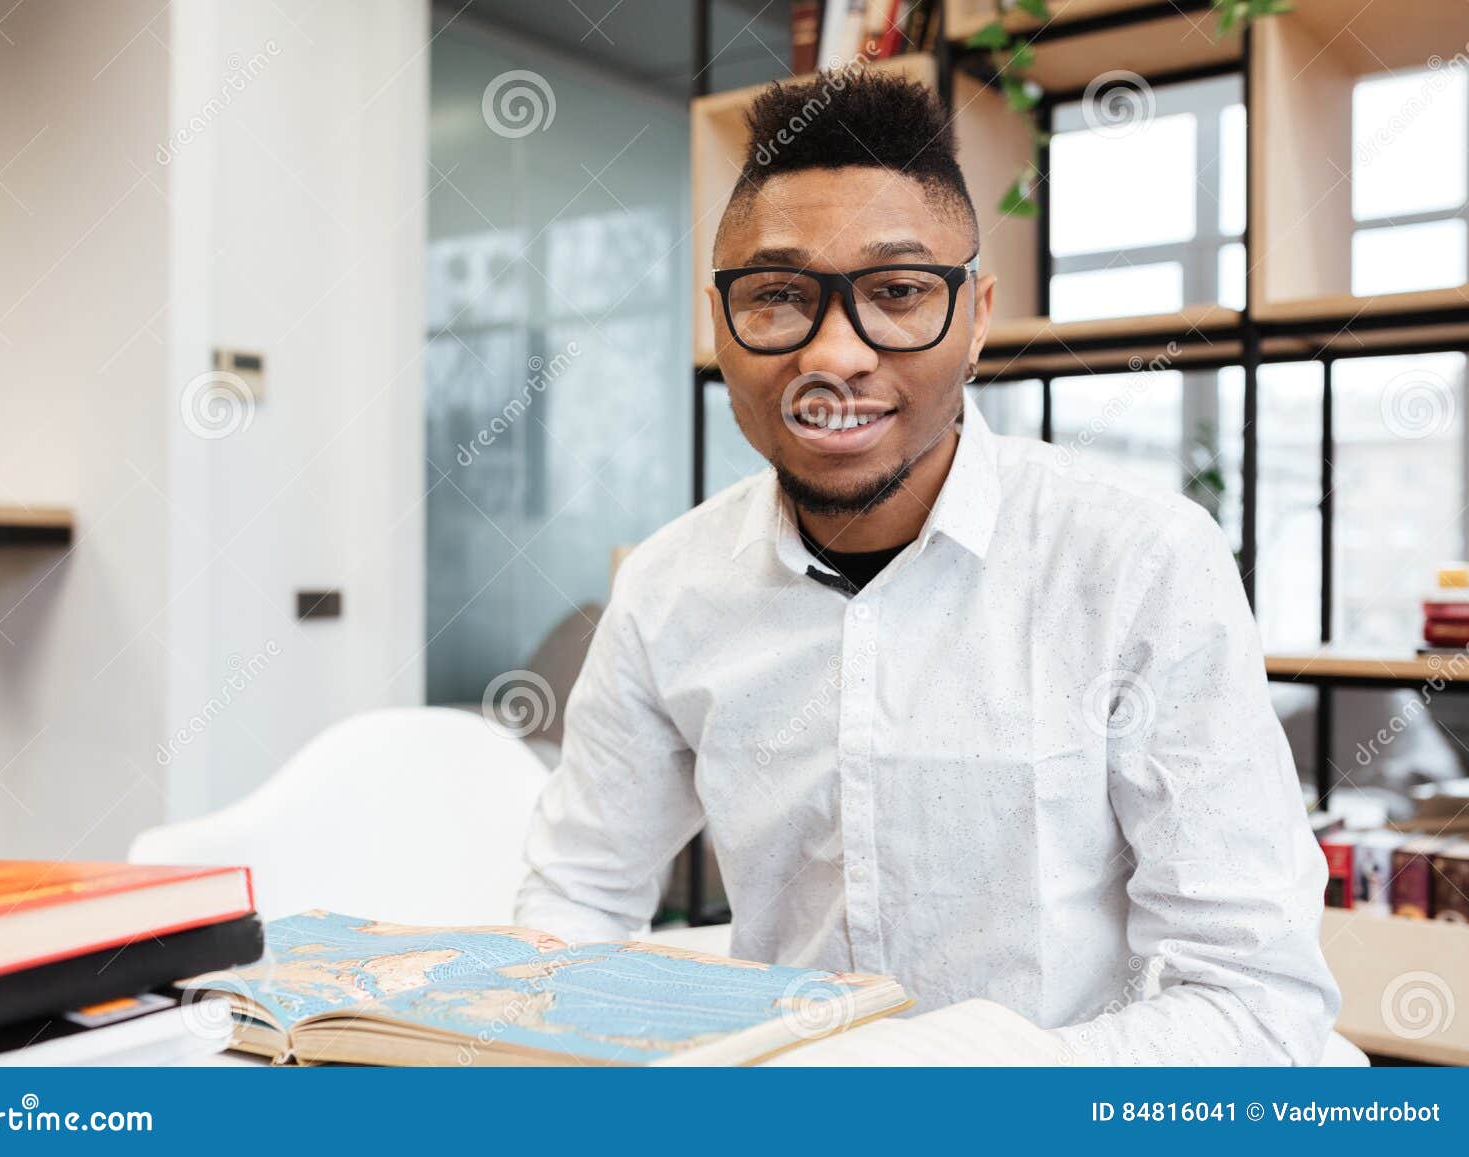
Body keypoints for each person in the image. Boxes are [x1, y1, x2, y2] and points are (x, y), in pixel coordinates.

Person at [516, 70, 1338, 1065]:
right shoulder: (666, 586)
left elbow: (1258, 1005)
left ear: (977, 314)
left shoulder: (1138, 563)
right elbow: (579, 893)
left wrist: (964, 1075)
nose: (836, 354)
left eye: (897, 292)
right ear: (720, 323)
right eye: (777, 297)